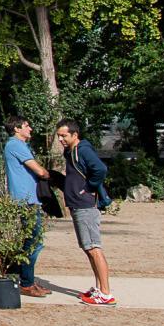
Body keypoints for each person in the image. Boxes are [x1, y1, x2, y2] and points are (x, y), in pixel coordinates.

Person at [55, 119, 115, 306]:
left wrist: (87, 188)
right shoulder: (70, 151)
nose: (61, 139)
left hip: (86, 205)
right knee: (88, 249)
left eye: (64, 135)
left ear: (74, 134)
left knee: (94, 248)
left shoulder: (83, 150)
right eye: (59, 136)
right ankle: (98, 288)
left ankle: (106, 293)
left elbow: (100, 169)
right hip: (77, 205)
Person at [3, 116, 50, 298]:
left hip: (30, 199)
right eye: (26, 126)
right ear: (16, 129)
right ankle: (26, 282)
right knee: (34, 243)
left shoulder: (20, 145)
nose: (30, 129)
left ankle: (21, 275)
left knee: (31, 241)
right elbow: (38, 170)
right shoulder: (16, 145)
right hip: (26, 200)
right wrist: (48, 175)